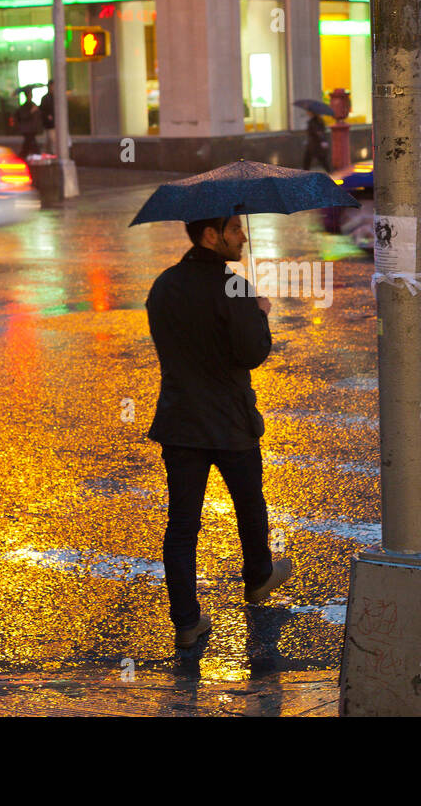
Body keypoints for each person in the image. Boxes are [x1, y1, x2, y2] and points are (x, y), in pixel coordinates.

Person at [145, 215, 293, 649]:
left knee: (183, 523)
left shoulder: (164, 284)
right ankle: (259, 576)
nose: (242, 236)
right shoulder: (235, 288)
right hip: (229, 420)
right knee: (249, 502)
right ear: (212, 236)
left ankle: (187, 622)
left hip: (180, 421)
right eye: (234, 229)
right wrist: (260, 313)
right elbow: (252, 353)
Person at [16, 93, 42, 158]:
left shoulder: (33, 104)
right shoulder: (24, 106)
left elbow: (38, 116)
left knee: (28, 144)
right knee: (30, 143)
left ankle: (23, 156)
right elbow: (23, 116)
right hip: (27, 129)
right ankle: (35, 154)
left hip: (32, 128)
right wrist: (31, 111)